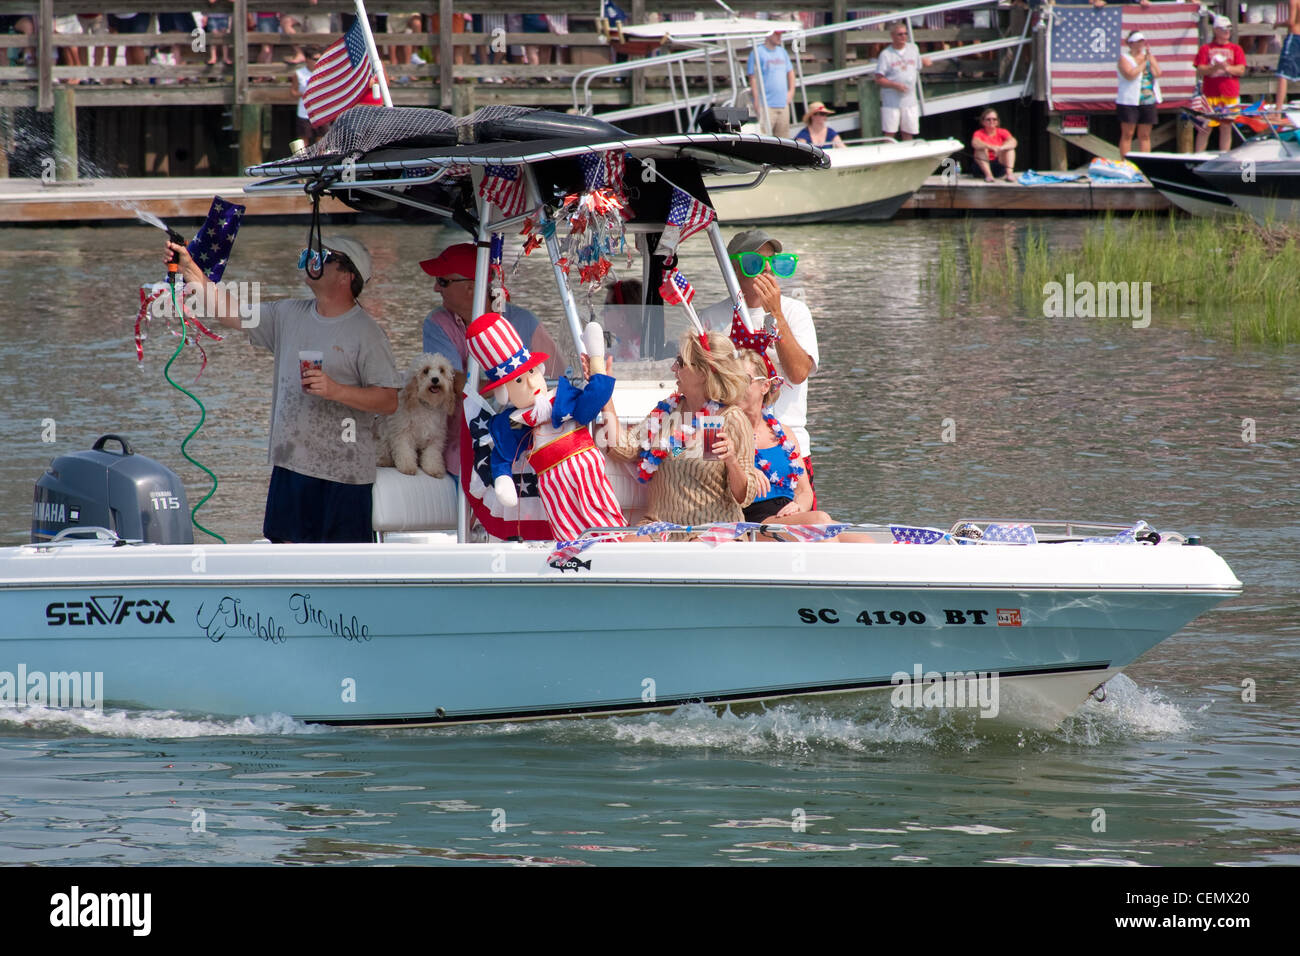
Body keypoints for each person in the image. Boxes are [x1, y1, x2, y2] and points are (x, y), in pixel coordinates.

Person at [166, 235, 402, 543]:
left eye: (325, 257)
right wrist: (191, 271)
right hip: (291, 465)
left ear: (347, 275)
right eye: (313, 254)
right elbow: (233, 312)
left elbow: (388, 400)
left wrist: (335, 390)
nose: (312, 260)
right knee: (286, 556)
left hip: (345, 475)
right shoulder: (288, 314)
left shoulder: (368, 334)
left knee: (341, 567)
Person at [418, 242, 562, 479]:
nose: (435, 288)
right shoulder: (437, 323)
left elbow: (559, 376)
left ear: (471, 288)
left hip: (531, 444)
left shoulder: (524, 321)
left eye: (443, 281)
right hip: (467, 446)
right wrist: (514, 386)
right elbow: (455, 383)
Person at [701, 228, 819, 497]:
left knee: (798, 526)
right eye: (755, 263)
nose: (767, 271)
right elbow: (702, 391)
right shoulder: (710, 317)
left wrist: (774, 312)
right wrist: (707, 450)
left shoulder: (795, 311)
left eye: (774, 263)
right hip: (726, 446)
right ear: (732, 268)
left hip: (786, 444)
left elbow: (799, 373)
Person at [604, 329, 759, 528]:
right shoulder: (667, 410)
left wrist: (731, 461)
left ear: (703, 372)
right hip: (659, 526)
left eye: (681, 362)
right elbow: (624, 448)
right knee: (625, 553)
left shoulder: (731, 418)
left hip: (712, 528)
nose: (673, 367)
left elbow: (744, 497)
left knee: (694, 554)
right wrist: (605, 393)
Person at [1194, 16, 1246, 152]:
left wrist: (1226, 68)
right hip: (1210, 93)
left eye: (1229, 29)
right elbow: (1200, 69)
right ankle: (1198, 156)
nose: (1227, 32)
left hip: (1229, 93)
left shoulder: (1236, 48)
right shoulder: (1206, 48)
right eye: (1224, 29)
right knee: (1206, 126)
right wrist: (1214, 68)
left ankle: (1224, 155)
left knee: (1226, 126)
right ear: (1216, 30)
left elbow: (1240, 70)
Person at [875, 22, 932, 141]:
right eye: (900, 34)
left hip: (910, 99)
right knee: (890, 133)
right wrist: (895, 85)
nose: (903, 37)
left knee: (908, 132)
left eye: (905, 34)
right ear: (892, 36)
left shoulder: (913, 48)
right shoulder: (885, 54)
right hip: (892, 101)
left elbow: (916, 64)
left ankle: (909, 156)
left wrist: (924, 61)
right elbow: (879, 78)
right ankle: (888, 157)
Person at [1116, 31, 1162, 157]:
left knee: (1145, 135)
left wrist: (1150, 61)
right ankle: (1125, 162)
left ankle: (1145, 162)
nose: (1140, 44)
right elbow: (1130, 75)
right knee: (1128, 133)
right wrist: (1143, 63)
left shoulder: (1148, 57)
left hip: (1148, 99)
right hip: (1129, 100)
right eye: (1137, 42)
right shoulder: (1124, 58)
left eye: (1142, 42)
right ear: (1130, 44)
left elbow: (1158, 73)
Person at [747, 26, 795, 138]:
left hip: (783, 104)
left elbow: (791, 72)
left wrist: (791, 91)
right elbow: (752, 77)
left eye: (780, 34)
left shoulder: (782, 52)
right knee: (765, 138)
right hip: (765, 104)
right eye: (776, 34)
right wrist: (756, 100)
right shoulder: (757, 52)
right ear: (768, 34)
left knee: (784, 141)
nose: (779, 37)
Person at [971, 108, 1017, 182]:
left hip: (999, 165)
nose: (991, 121)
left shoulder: (1003, 131)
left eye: (994, 119)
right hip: (982, 167)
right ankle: (989, 175)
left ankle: (1009, 174)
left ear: (997, 121)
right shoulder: (978, 133)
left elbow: (1013, 142)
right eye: (988, 119)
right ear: (983, 122)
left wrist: (1001, 148)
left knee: (1010, 149)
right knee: (980, 149)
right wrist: (991, 147)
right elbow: (975, 143)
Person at [1276, 0, 1300, 107]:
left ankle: (1277, 111)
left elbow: (1291, 22)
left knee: (1283, 73)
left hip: (1294, 37)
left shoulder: (1294, 1)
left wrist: (1278, 24)